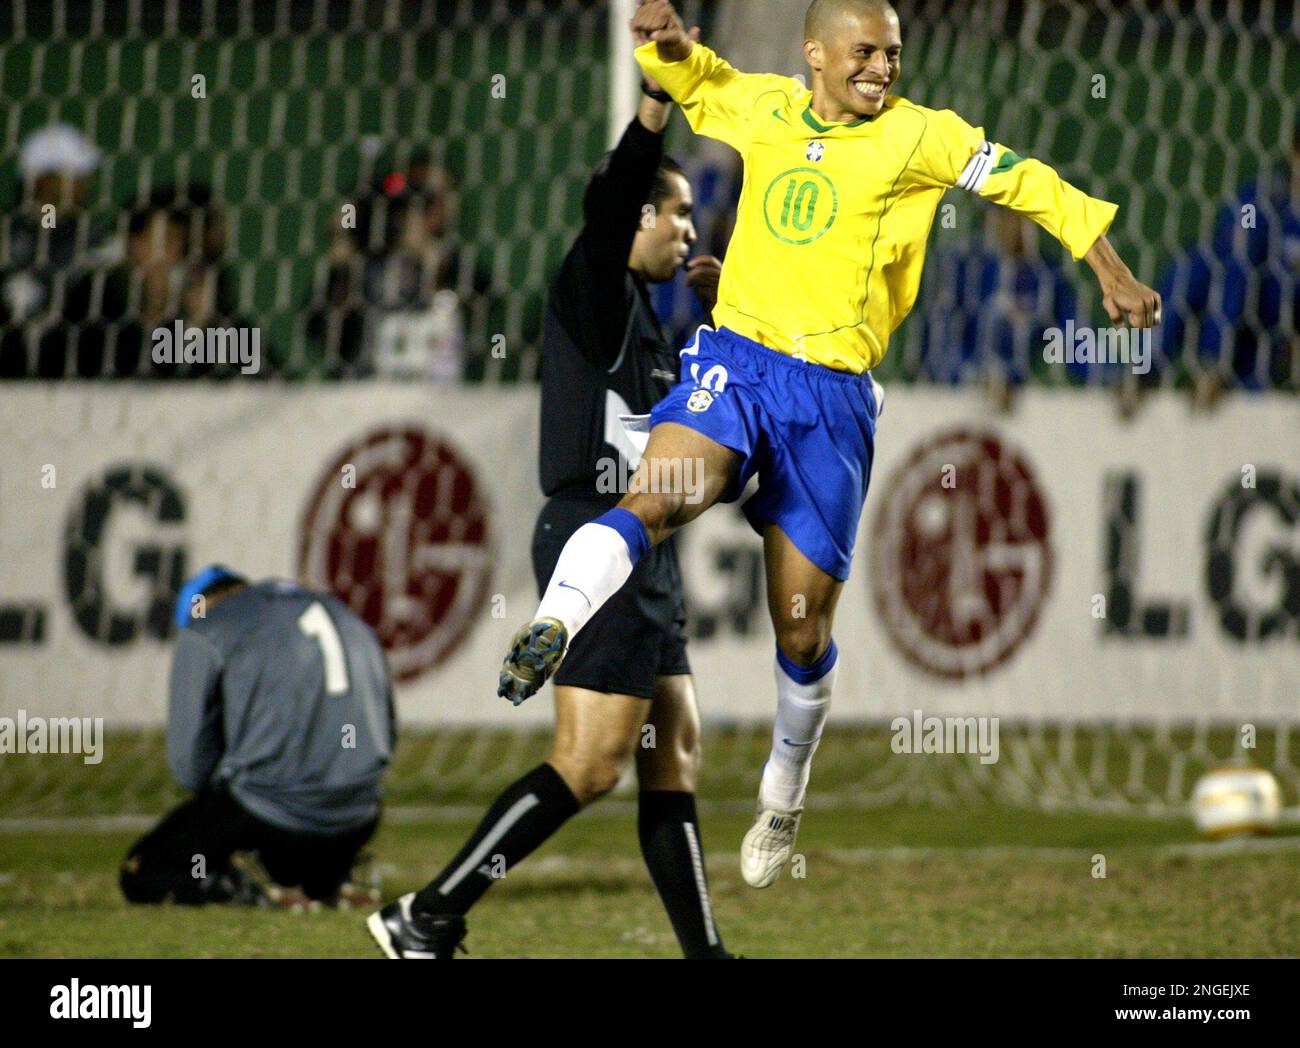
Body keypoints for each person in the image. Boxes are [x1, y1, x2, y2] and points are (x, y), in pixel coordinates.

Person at [496, 0, 1161, 890]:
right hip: (738, 363)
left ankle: (784, 786)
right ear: (816, 54)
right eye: (865, 52)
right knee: (650, 501)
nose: (883, 68)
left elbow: (1029, 183)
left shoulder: (924, 137)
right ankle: (555, 623)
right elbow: (699, 76)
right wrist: (664, 38)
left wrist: (1110, 267)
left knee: (801, 632)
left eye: (892, 53)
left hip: (833, 402)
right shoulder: (767, 108)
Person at [367, 29, 733, 959]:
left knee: (672, 750)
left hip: (641, 551)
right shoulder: (594, 287)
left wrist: (730, 316)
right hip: (592, 536)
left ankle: (707, 958)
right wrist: (655, 103)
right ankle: (428, 915)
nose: (689, 229)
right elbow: (609, 204)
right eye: (678, 213)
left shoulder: (651, 322)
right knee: (589, 764)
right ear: (638, 218)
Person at [120, 566, 396, 907]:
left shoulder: (208, 626)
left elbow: (190, 769)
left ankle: (235, 890)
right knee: (289, 839)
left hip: (267, 818)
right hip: (358, 818)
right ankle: (326, 878)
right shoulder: (345, 616)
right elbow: (388, 733)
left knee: (143, 870)